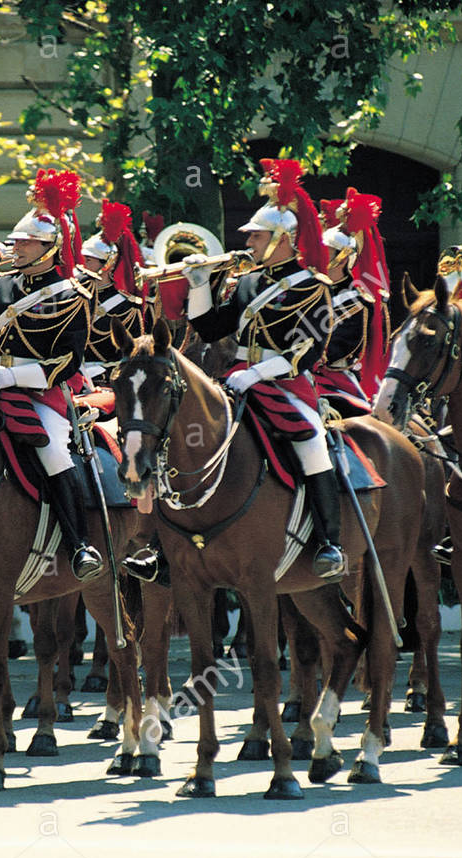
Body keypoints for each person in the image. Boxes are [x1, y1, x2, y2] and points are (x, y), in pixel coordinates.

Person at [184, 158, 345, 581]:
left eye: (257, 235)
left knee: (311, 443)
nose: (250, 242)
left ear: (282, 238)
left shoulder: (313, 286)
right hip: (235, 382)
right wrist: (199, 285)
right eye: (251, 236)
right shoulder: (248, 282)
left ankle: (330, 542)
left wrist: (255, 373)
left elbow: (307, 351)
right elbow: (209, 327)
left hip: (285, 385)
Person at [0, 168, 103, 581]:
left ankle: (80, 545)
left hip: (41, 394)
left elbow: (68, 361)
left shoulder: (72, 296)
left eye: (26, 242)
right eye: (15, 240)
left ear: (49, 248)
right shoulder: (0, 285)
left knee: (52, 451)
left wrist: (16, 378)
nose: (16, 247)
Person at [313, 189, 390, 414]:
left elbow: (338, 348)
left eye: (325, 252)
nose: (319, 256)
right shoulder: (314, 291)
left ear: (343, 257)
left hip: (335, 379)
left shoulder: (357, 302)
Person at [78, 199, 146, 387]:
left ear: (107, 265)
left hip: (107, 383)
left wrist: (104, 370)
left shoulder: (128, 308)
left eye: (89, 260)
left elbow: (133, 356)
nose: (82, 265)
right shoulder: (73, 297)